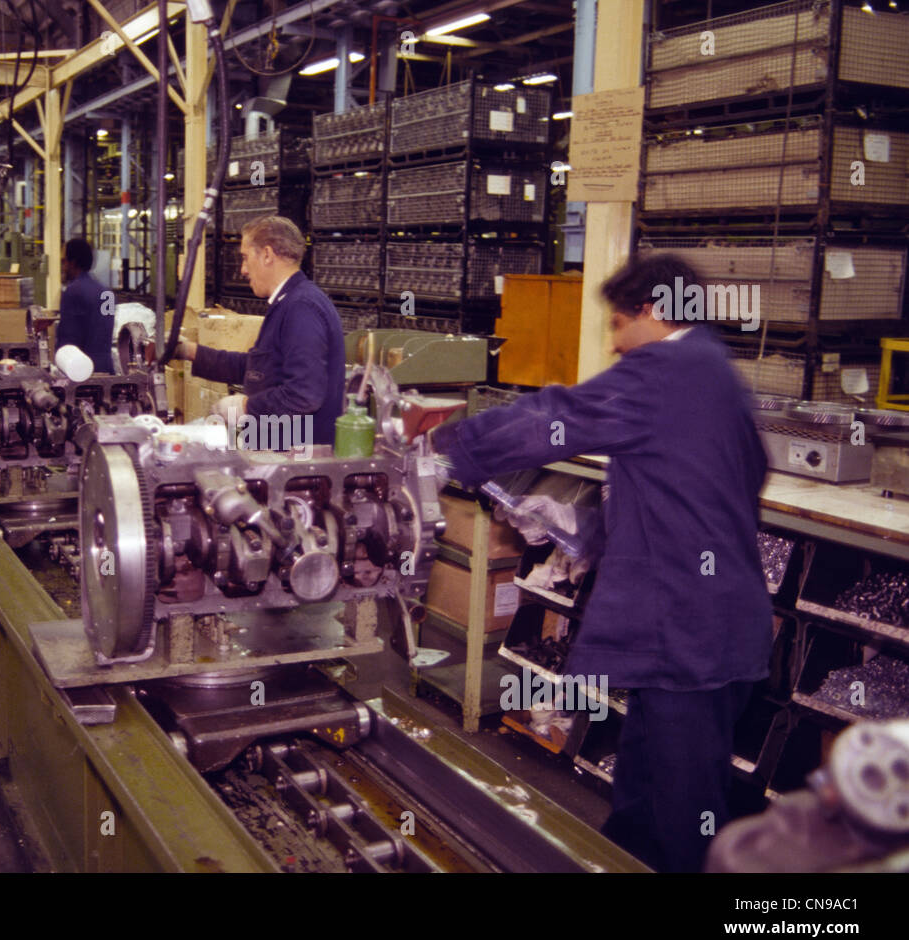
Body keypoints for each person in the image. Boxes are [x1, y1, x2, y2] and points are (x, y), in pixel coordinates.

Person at [428, 254, 773, 873]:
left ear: (655, 311)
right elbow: (743, 475)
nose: (615, 346)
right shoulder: (715, 369)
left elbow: (557, 417)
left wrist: (443, 447)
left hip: (690, 634)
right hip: (711, 628)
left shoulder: (666, 369)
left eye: (618, 325)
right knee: (643, 789)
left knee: (679, 817)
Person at [172, 215, 345, 446]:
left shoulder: (301, 308)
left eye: (245, 257)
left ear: (266, 255)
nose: (243, 270)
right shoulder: (288, 303)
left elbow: (303, 395)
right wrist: (190, 351)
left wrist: (245, 407)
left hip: (294, 460)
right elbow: (257, 369)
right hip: (279, 452)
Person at [56, 238, 114, 375]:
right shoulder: (107, 292)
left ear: (73, 262)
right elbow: (107, 329)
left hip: (81, 369)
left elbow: (68, 337)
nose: (63, 267)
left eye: (64, 261)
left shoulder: (73, 292)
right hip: (105, 366)